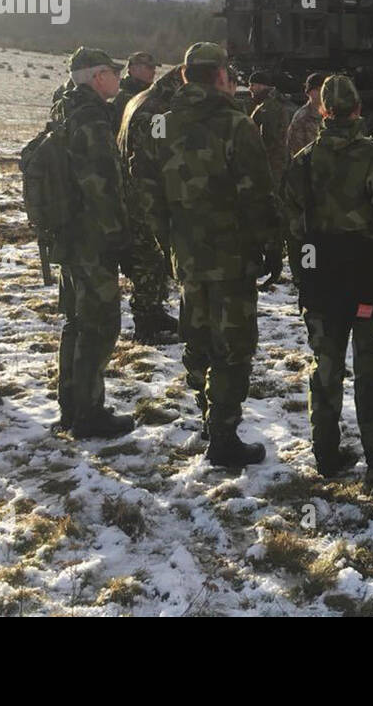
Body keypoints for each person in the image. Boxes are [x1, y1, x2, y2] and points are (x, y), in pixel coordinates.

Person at [134, 43, 283, 468]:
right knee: (233, 347)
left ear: (183, 75)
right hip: (232, 257)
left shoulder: (160, 124)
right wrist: (272, 246)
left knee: (197, 337)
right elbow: (258, 195)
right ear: (219, 75)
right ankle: (223, 434)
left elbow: (144, 185)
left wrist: (166, 239)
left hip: (186, 254)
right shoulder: (236, 125)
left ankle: (208, 415)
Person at [280, 75, 373, 486]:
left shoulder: (301, 161)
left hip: (321, 282)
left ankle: (325, 453)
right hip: (369, 281)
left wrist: (302, 275)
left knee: (325, 370)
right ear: (358, 110)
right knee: (372, 372)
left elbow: (293, 228)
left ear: (323, 111)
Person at [51, 47, 134, 439]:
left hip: (68, 233)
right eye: (114, 71)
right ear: (98, 76)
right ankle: (88, 412)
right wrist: (119, 235)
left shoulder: (64, 110)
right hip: (92, 237)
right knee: (100, 324)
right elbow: (104, 185)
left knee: (77, 321)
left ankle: (71, 405)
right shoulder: (92, 120)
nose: (119, 78)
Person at [116, 66, 182, 344]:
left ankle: (153, 311)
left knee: (150, 259)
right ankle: (146, 321)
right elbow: (149, 156)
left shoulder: (142, 99)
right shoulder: (156, 110)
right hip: (142, 196)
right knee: (149, 260)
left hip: (133, 192)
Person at [248, 70, 290, 189]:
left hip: (271, 163)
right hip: (275, 161)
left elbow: (269, 137)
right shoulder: (270, 103)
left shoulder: (268, 106)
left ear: (261, 86)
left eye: (252, 85)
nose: (249, 88)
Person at [112, 52, 158, 127]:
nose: (153, 72)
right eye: (149, 68)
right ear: (133, 69)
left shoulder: (153, 94)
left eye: (154, 68)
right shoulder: (120, 96)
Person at [287, 72, 327, 157]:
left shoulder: (332, 113)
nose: (321, 93)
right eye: (317, 89)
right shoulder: (302, 117)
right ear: (309, 92)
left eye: (323, 89)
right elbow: (297, 151)